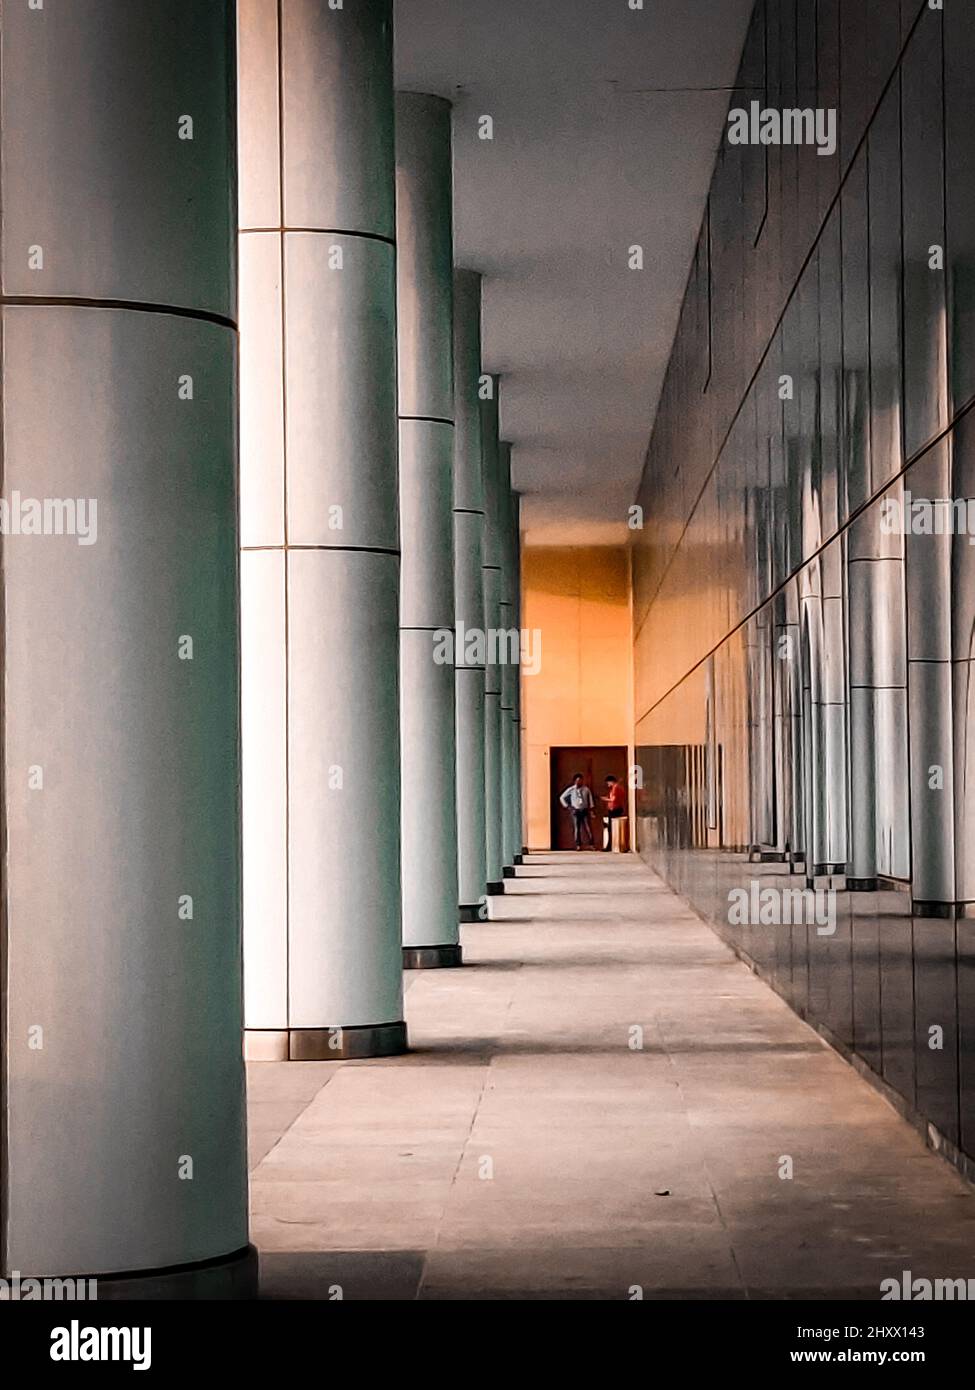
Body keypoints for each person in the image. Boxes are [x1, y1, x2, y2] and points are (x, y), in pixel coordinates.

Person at [559, 772, 595, 849]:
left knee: (588, 827)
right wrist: (567, 806)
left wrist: (591, 809)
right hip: (576, 810)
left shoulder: (586, 789)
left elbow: (590, 799)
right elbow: (562, 797)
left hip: (584, 810)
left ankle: (591, 844)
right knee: (577, 828)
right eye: (578, 780)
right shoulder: (571, 789)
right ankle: (578, 845)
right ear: (575, 781)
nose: (580, 782)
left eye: (581, 780)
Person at [600, 774, 626, 851]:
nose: (608, 785)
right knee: (611, 828)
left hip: (615, 809)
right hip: (616, 808)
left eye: (608, 783)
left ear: (611, 781)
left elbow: (613, 799)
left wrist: (604, 799)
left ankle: (609, 846)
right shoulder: (618, 787)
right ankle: (611, 845)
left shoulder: (615, 788)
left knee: (610, 828)